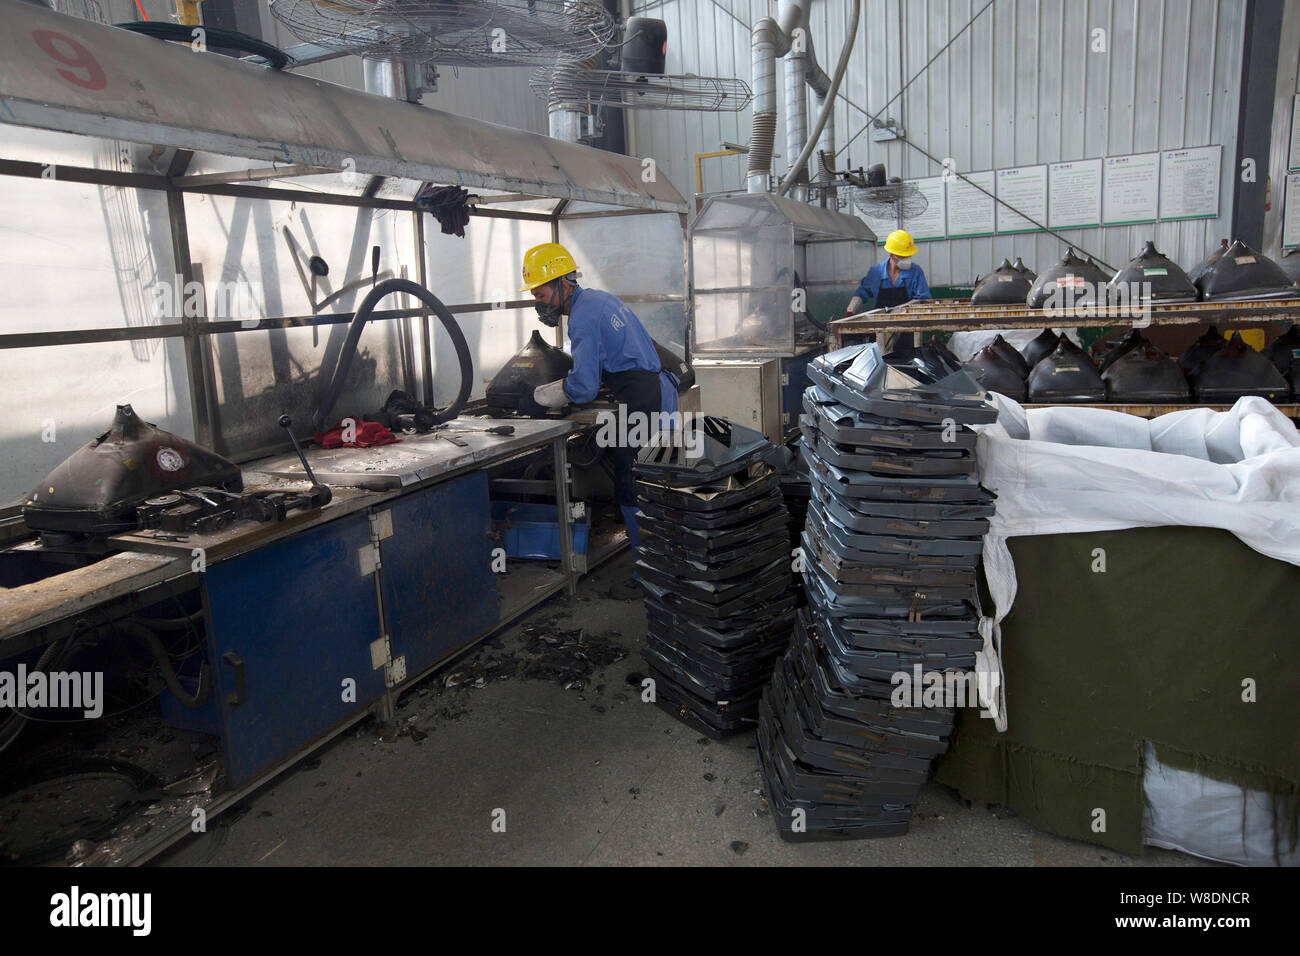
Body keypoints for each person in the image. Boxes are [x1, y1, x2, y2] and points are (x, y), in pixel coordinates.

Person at [521, 242, 679, 566]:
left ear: (563, 284)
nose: (539, 304)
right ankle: (666, 562)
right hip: (659, 390)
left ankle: (651, 572)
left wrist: (544, 396)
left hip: (642, 400)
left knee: (631, 486)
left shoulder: (582, 318)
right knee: (656, 479)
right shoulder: (599, 299)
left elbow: (583, 385)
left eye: (541, 295)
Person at [845, 229, 932, 316]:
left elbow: (923, 299)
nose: (907, 259)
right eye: (903, 257)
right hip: (880, 324)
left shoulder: (915, 272)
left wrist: (902, 310)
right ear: (891, 255)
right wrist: (850, 311)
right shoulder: (876, 272)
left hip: (907, 322)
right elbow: (860, 294)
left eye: (909, 256)